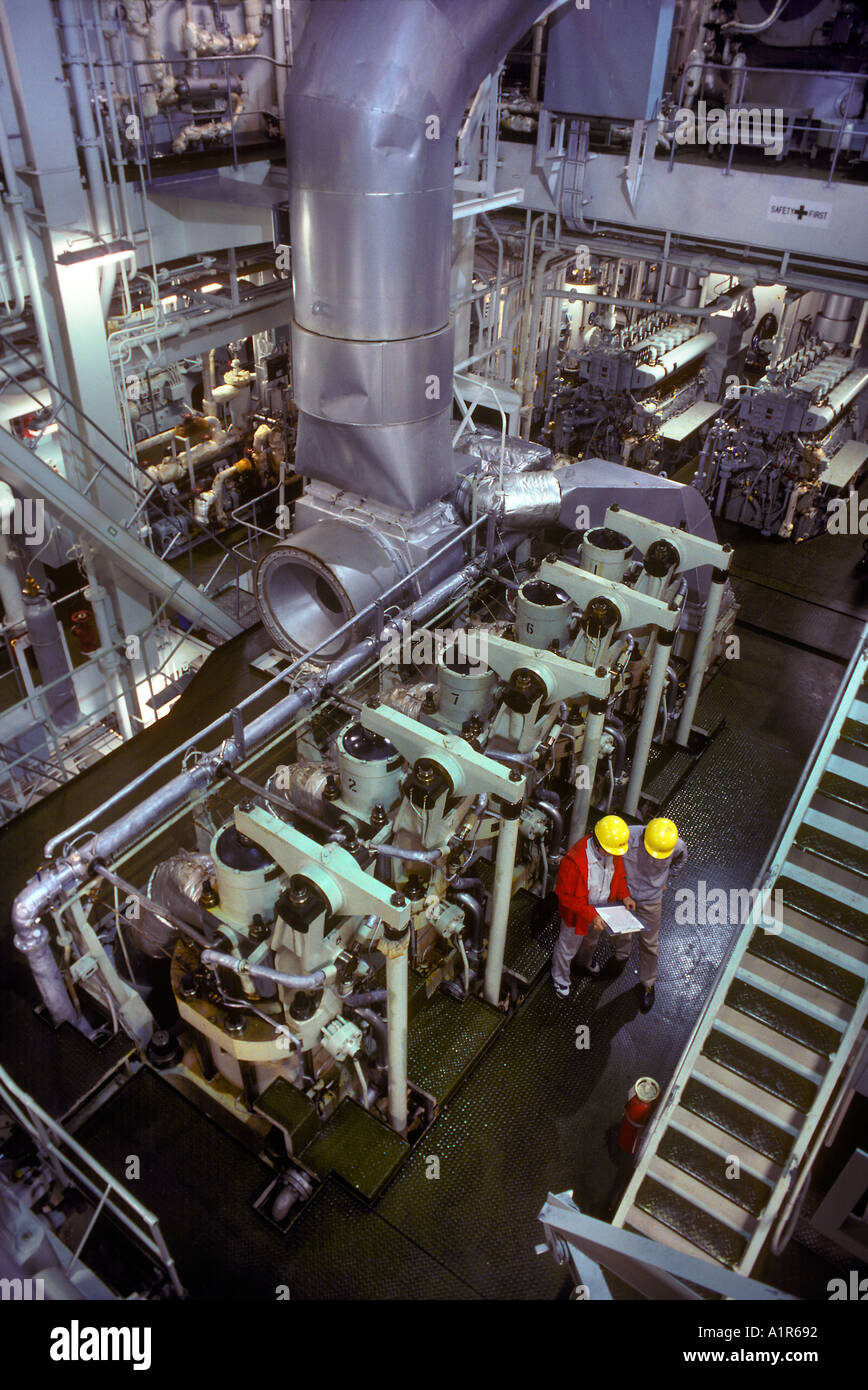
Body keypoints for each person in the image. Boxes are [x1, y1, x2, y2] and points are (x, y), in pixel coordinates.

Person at [606, 817, 688, 1013]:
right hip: (624, 894)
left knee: (650, 943)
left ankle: (648, 983)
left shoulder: (675, 845)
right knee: (622, 932)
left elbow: (681, 858)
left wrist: (667, 878)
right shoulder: (627, 836)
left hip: (651, 899)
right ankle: (621, 957)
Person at [551, 814, 635, 999]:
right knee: (567, 948)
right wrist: (591, 916)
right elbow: (566, 898)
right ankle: (560, 979)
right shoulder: (574, 862)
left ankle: (584, 962)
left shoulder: (613, 851)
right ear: (598, 844)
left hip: (601, 911)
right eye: (610, 851)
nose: (614, 855)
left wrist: (625, 895)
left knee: (591, 942)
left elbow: (618, 876)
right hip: (577, 916)